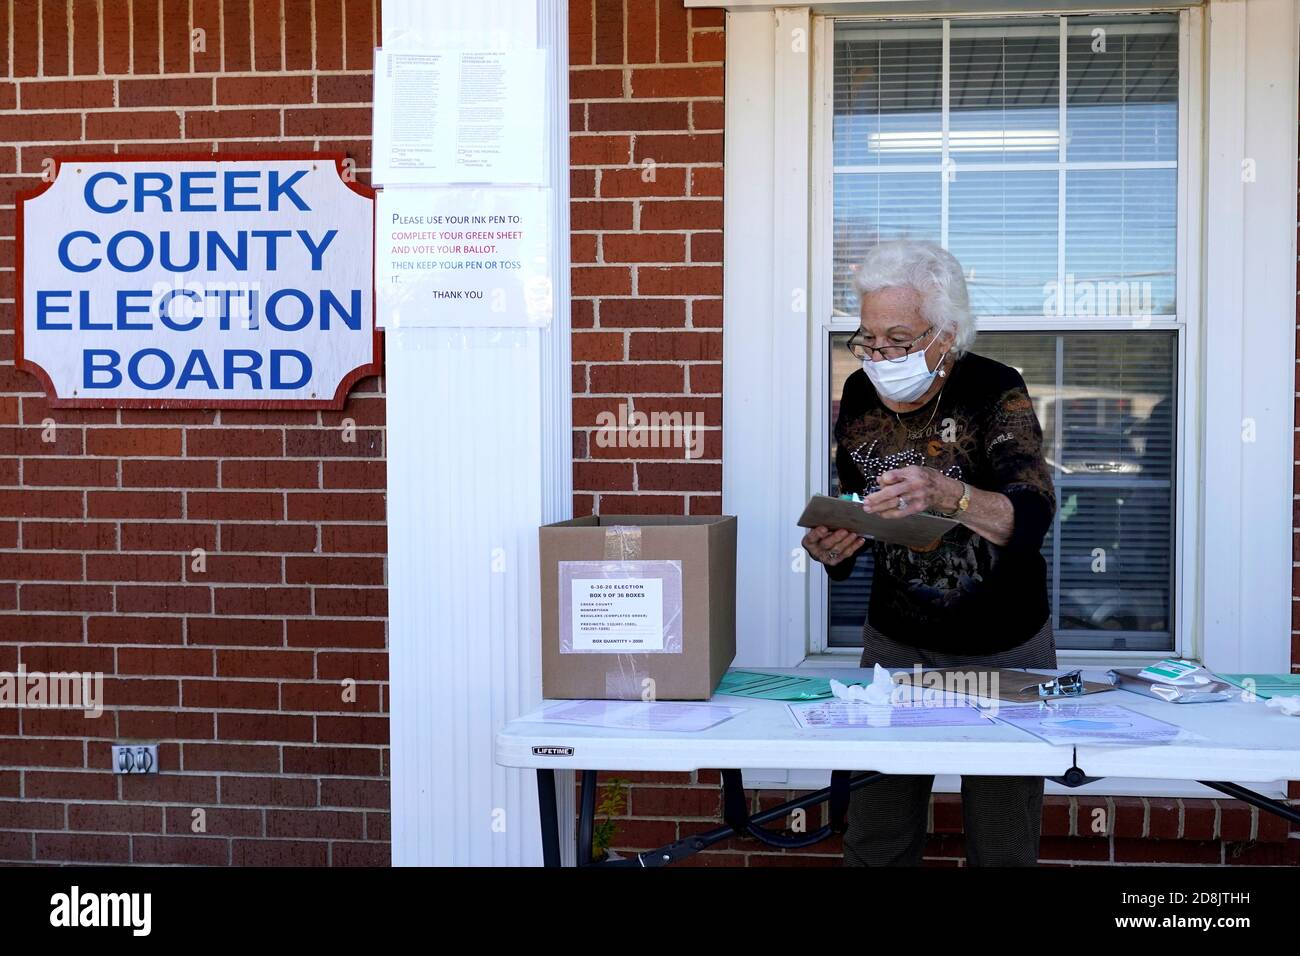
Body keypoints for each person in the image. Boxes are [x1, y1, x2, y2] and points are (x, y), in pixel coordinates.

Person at [801, 238, 1057, 866]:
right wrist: (836, 546)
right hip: (897, 641)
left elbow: (1032, 516)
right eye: (868, 339)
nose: (879, 356)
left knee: (1003, 841)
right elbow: (862, 502)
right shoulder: (859, 393)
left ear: (947, 334)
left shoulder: (995, 388)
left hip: (1004, 642)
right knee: (877, 834)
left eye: (898, 340)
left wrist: (951, 494)